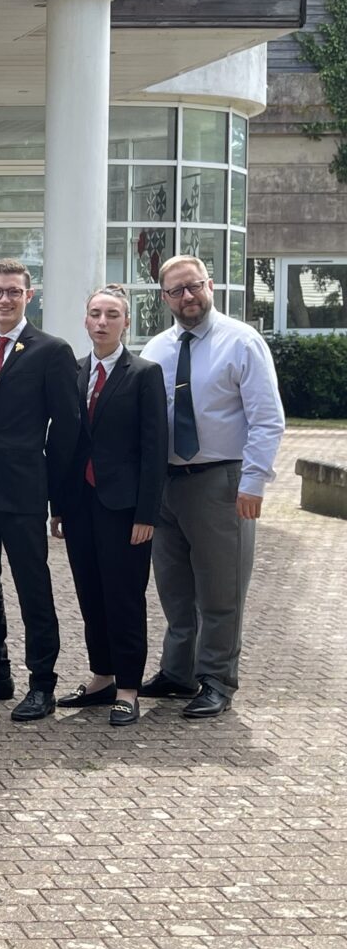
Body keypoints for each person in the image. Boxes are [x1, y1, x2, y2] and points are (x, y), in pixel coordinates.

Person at [138, 255, 285, 719]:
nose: (188, 296)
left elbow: (267, 419)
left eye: (194, 286)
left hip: (221, 481)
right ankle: (178, 672)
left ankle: (217, 679)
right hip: (166, 485)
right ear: (164, 299)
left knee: (221, 592)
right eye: (177, 290)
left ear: (211, 286)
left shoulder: (242, 342)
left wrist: (253, 482)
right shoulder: (156, 349)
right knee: (175, 589)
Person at [0, 259, 80, 722]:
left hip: (23, 489)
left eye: (13, 292)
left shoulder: (51, 351)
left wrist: (58, 499)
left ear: (30, 295)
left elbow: (67, 429)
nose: (4, 299)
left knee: (32, 586)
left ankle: (42, 682)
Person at [48, 285, 168, 727]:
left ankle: (129, 688)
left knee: (124, 596)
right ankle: (102, 677)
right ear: (85, 321)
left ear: (126, 323)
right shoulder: (74, 373)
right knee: (90, 594)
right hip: (80, 505)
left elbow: (155, 449)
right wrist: (58, 506)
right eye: (95, 313)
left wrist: (146, 515)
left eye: (112, 315)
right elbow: (64, 445)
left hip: (124, 508)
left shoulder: (144, 374)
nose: (102, 322)